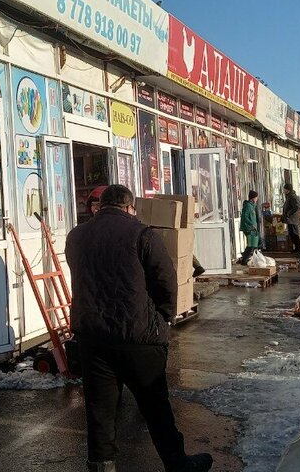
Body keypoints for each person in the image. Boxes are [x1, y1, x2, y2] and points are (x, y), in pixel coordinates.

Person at [65, 185, 213, 472]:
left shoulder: (76, 236)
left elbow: (80, 275)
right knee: (155, 407)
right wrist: (162, 318)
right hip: (139, 338)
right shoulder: (143, 234)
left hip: (93, 338)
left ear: (100, 206)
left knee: (100, 410)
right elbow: (165, 282)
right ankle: (178, 464)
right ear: (130, 207)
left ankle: (101, 466)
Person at [282, 183, 300, 262]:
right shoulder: (289, 196)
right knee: (292, 234)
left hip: (292, 219)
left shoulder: (293, 197)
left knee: (294, 234)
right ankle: (296, 248)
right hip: (290, 219)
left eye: (284, 189)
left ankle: (299, 249)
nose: (284, 190)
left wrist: (288, 213)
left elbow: (297, 207)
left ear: (288, 189)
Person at [238, 190, 260, 265]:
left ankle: (245, 258)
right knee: (251, 245)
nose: (257, 199)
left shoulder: (252, 206)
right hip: (248, 228)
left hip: (252, 228)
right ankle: (244, 260)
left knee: (252, 245)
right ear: (253, 198)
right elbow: (245, 217)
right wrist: (252, 224)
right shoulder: (248, 206)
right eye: (256, 198)